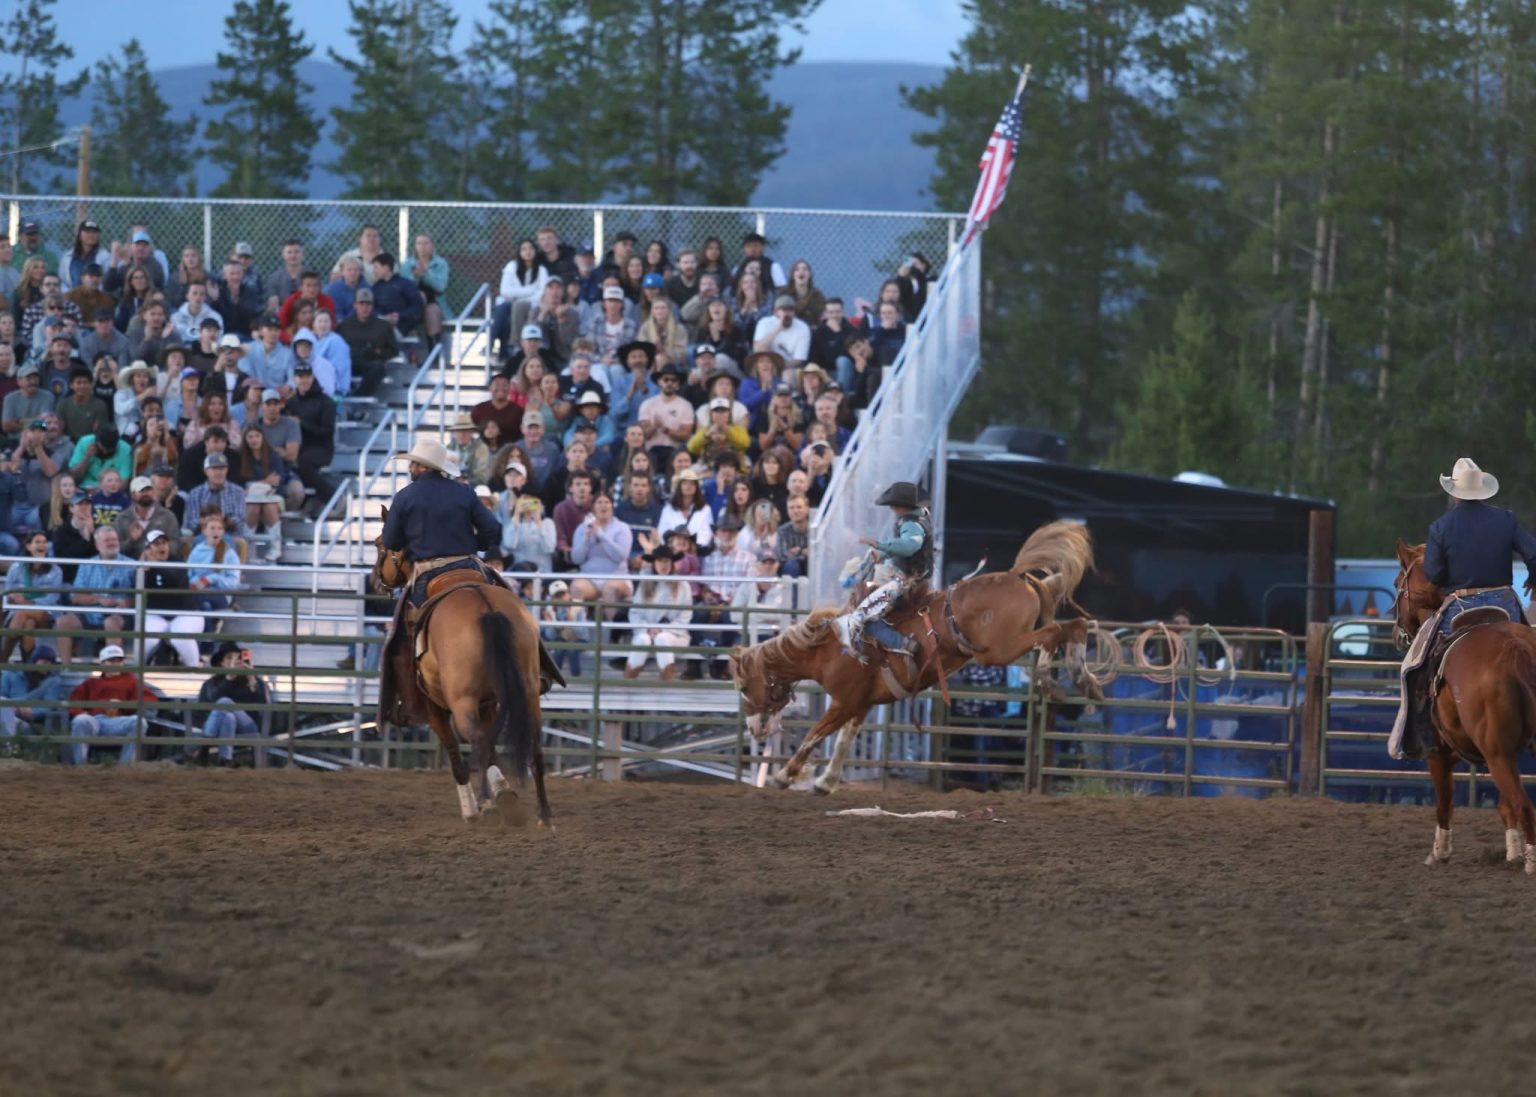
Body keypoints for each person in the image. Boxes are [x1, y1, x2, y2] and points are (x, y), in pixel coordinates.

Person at [1396, 458, 1536, 759]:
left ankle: (1423, 734)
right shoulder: (1506, 520)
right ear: (1482, 489)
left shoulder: (1441, 527)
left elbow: (1434, 575)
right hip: (1504, 603)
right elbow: (1533, 552)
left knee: (1417, 663)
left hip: (1460, 605)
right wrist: (1533, 578)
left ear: (1454, 493)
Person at [832, 481, 934, 659]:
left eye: (893, 505)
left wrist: (879, 545)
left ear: (902, 506)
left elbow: (909, 546)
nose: (891, 508)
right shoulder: (920, 518)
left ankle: (902, 644)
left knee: (863, 616)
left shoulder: (911, 524)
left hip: (906, 583)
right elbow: (905, 547)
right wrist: (882, 553)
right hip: (914, 578)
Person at [64, 644, 159, 765]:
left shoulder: (131, 681)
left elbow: (150, 699)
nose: (116, 664)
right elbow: (74, 701)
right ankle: (81, 766)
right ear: (102, 664)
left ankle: (125, 767)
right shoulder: (91, 682)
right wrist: (82, 713)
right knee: (80, 720)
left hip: (118, 721)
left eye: (119, 660)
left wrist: (124, 705)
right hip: (94, 720)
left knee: (139, 722)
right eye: (111, 661)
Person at [195, 640, 271, 765]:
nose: (235, 661)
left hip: (247, 726)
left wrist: (253, 682)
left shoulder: (252, 680)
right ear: (221, 663)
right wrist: (229, 678)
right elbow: (211, 703)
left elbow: (263, 707)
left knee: (225, 702)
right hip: (219, 725)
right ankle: (225, 760)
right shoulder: (212, 683)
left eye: (237, 657)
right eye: (229, 658)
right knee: (228, 717)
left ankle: (204, 745)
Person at [138, 529, 206, 669]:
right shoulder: (143, 567)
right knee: (147, 639)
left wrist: (155, 564)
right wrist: (142, 570)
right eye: (156, 544)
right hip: (156, 614)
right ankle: (137, 671)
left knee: (180, 638)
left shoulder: (177, 562)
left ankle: (194, 671)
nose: (162, 546)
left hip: (185, 613)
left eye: (164, 543)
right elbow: (138, 589)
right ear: (148, 549)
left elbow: (174, 580)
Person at [624, 547, 693, 680]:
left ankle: (666, 680)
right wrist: (647, 628)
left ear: (672, 563)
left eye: (667, 561)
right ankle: (629, 679)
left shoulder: (683, 585)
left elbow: (685, 615)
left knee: (662, 638)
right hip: (647, 632)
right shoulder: (645, 584)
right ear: (654, 564)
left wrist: (662, 629)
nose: (663, 565)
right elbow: (635, 613)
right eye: (660, 561)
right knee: (642, 639)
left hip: (675, 635)